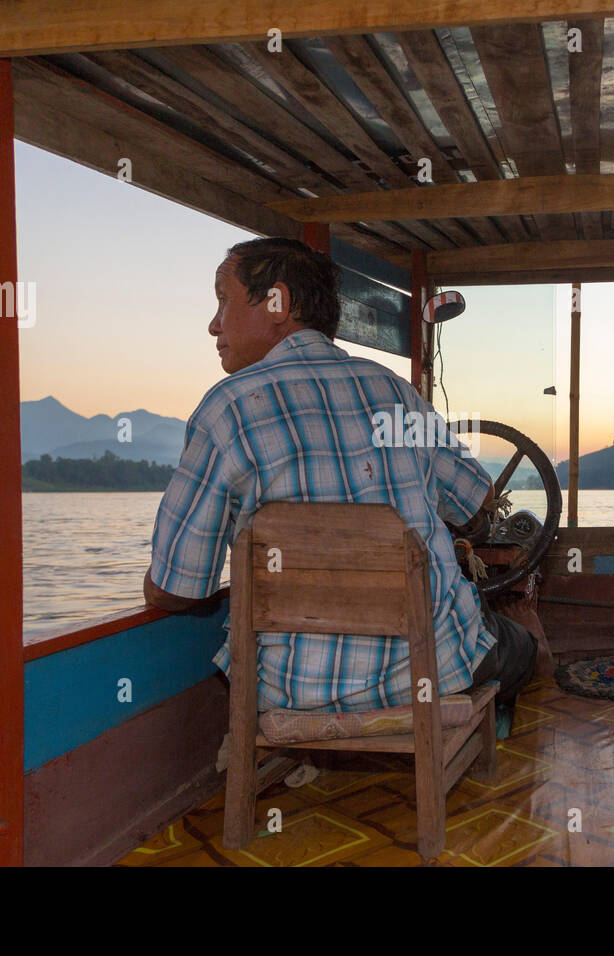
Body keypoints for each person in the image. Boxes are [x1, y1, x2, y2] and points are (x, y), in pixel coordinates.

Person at [142, 237, 549, 746]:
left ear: (279, 303)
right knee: (518, 645)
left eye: (222, 299)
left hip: (289, 687)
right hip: (434, 673)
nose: (213, 323)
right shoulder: (398, 395)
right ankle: (527, 654)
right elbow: (478, 500)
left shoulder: (223, 411)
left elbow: (175, 587)